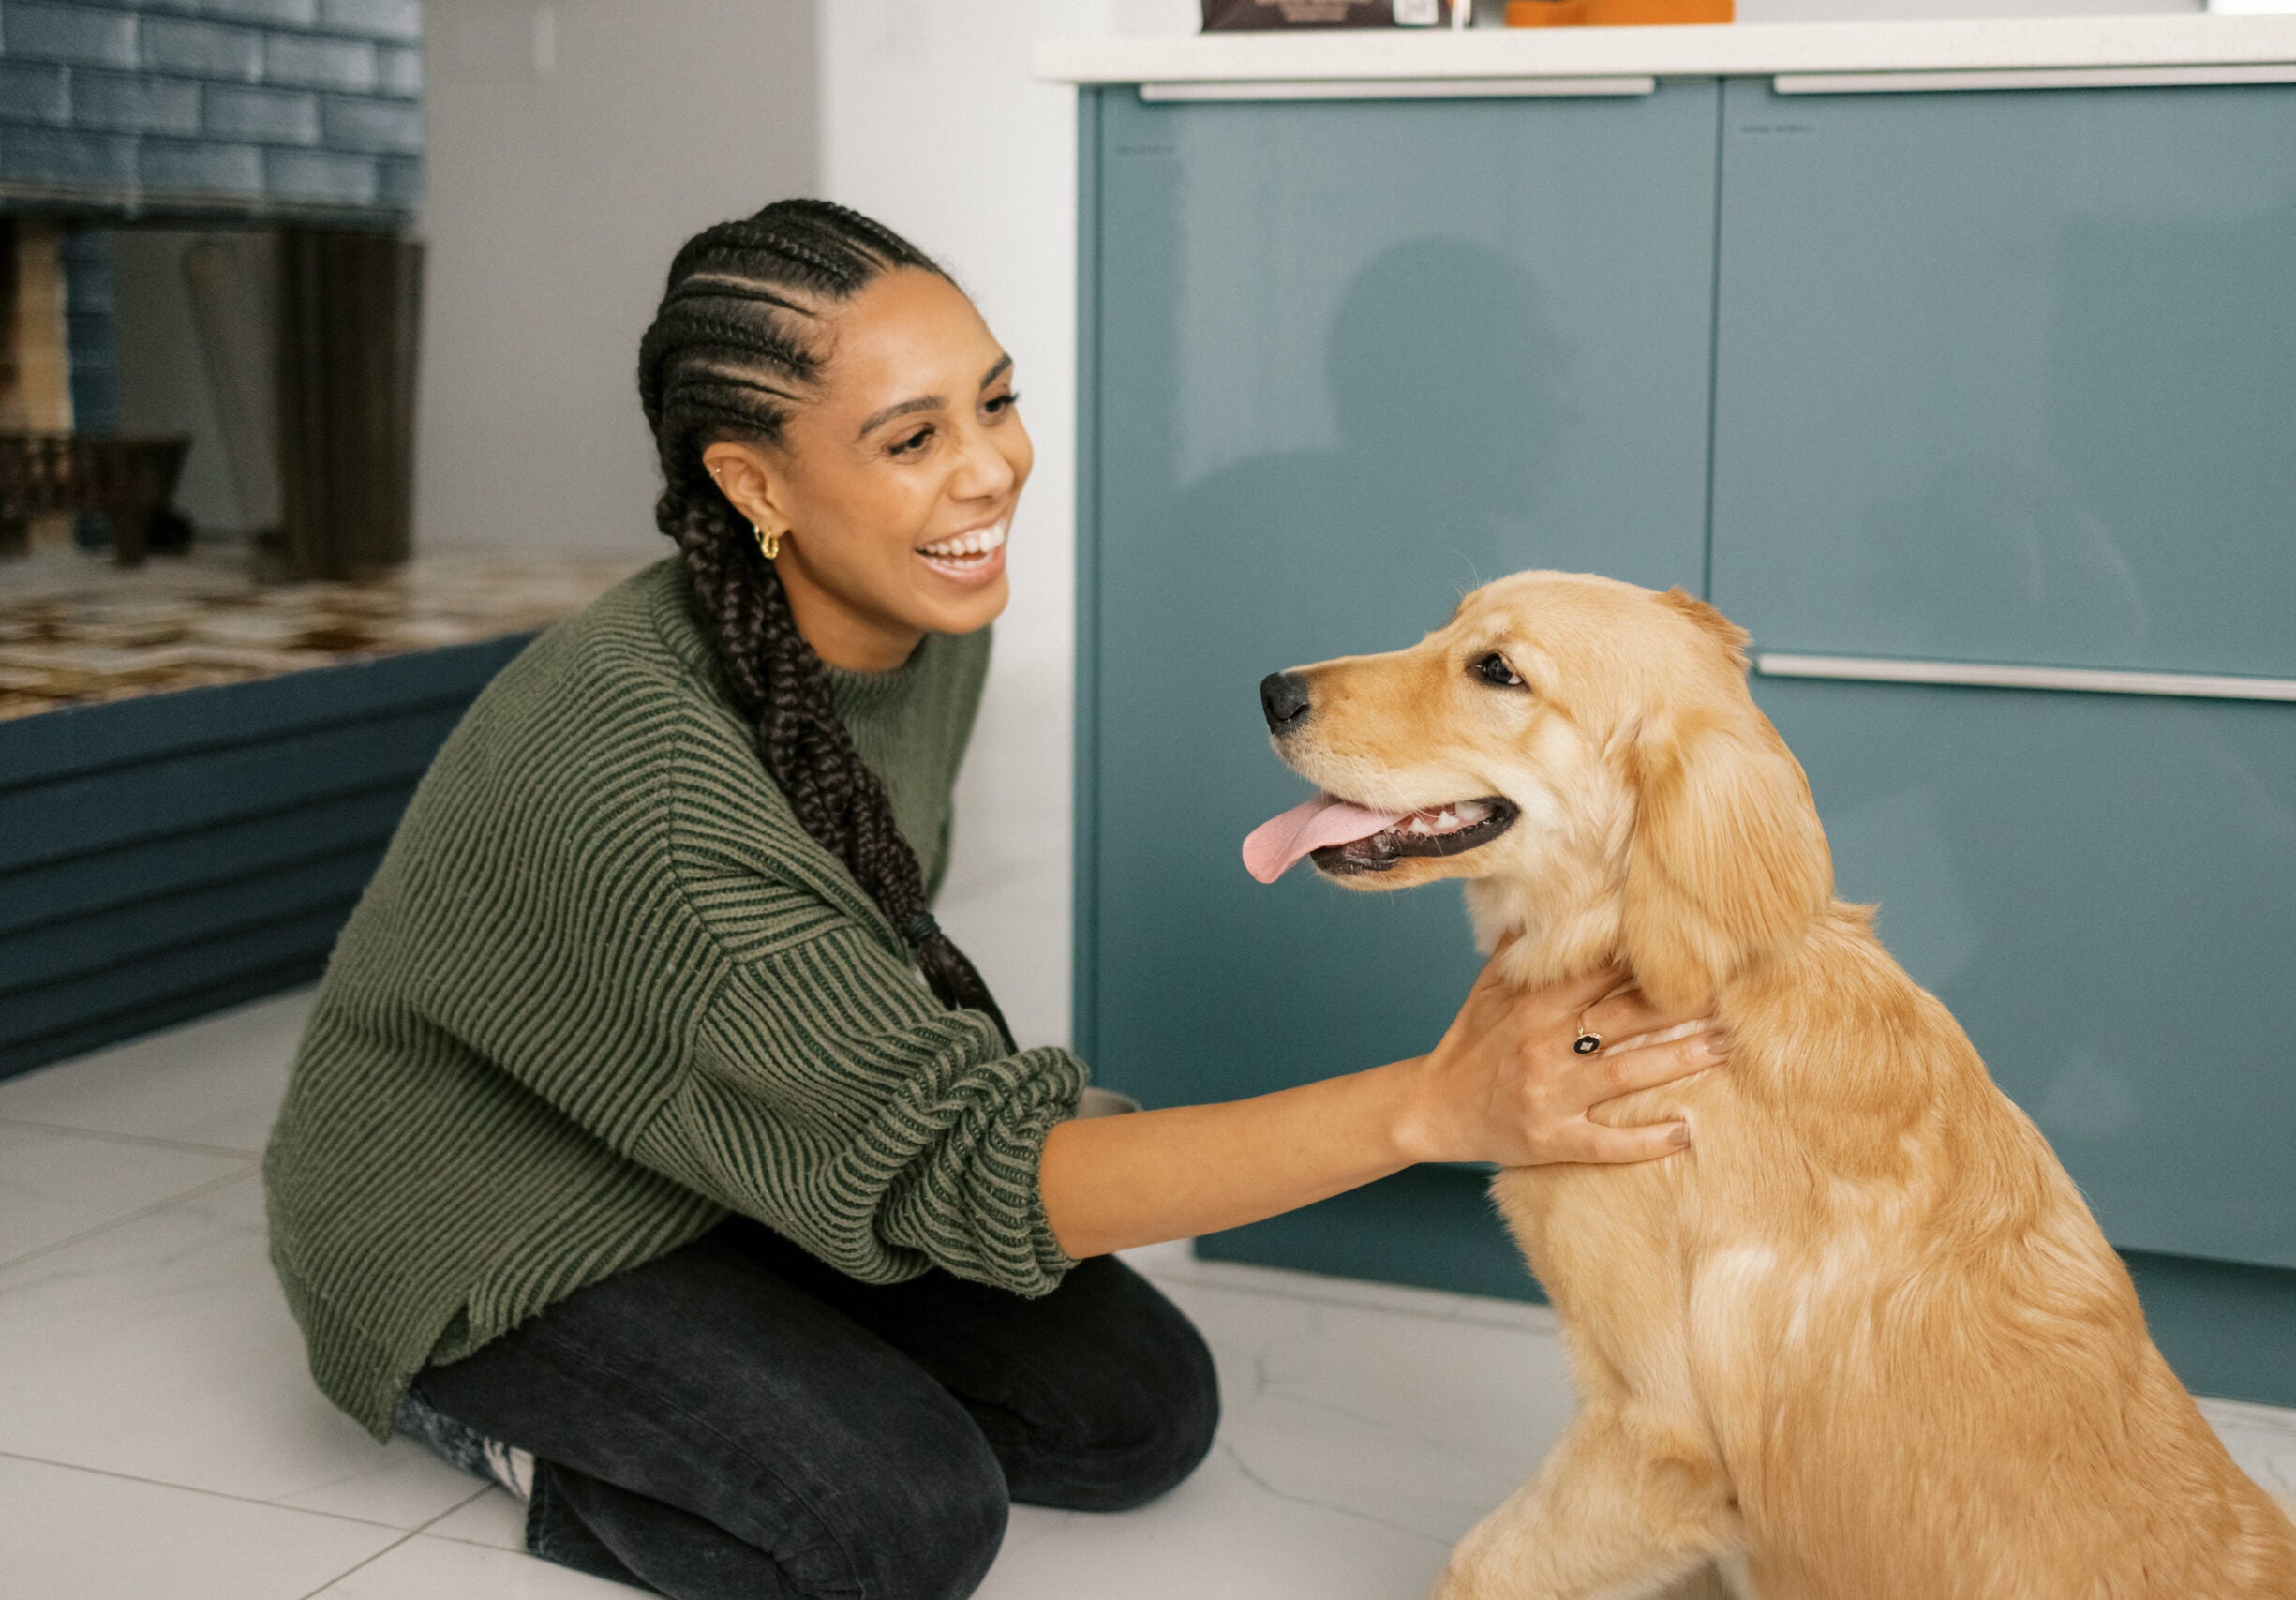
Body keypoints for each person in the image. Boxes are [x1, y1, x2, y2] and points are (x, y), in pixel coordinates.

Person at [261, 199, 1722, 1600]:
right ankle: (481, 1417)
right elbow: (949, 1161)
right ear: (753, 484)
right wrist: (1435, 1108)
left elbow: (861, 990)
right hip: (495, 1219)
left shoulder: (904, 613)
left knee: (1138, 1412)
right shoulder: (645, 780)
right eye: (911, 439)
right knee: (893, 1531)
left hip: (727, 1135)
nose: (988, 472)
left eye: (995, 403)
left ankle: (776, 1316)